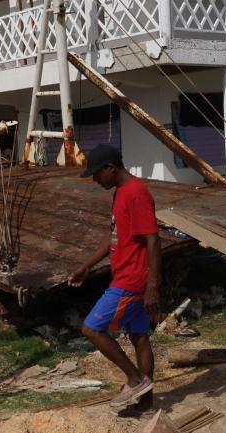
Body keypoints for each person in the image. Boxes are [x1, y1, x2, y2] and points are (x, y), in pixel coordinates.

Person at [68, 144, 161, 413]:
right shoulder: (120, 193)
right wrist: (86, 266)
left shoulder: (136, 193)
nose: (96, 180)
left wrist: (152, 286)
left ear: (110, 167)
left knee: (91, 329)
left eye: (97, 174)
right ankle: (146, 404)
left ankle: (134, 379)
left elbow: (152, 240)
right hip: (129, 275)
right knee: (139, 337)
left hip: (133, 279)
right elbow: (112, 238)